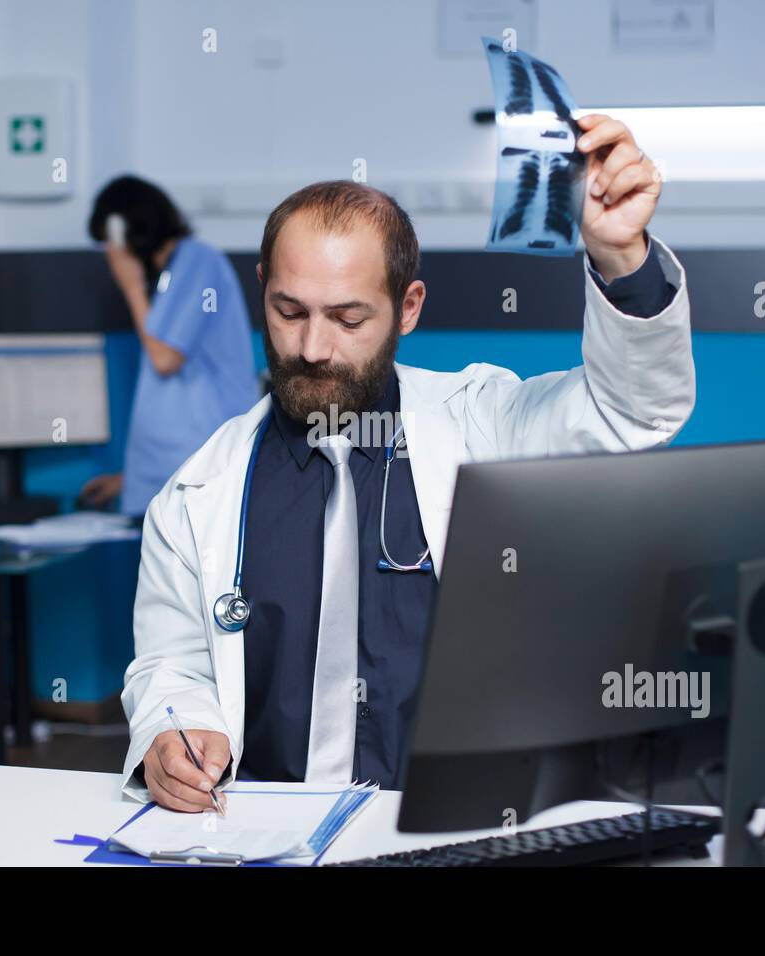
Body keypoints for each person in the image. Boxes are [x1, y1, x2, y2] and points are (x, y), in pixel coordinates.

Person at [121, 115, 695, 809]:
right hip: (267, 832)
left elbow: (629, 417)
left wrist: (621, 258)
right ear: (262, 288)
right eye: (288, 310)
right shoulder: (196, 495)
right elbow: (171, 664)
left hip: (460, 823)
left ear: (409, 307)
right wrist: (175, 731)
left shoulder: (484, 422)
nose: (312, 347)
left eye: (349, 318)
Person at [80, 176, 260, 518]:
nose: (108, 256)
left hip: (207, 482)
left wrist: (131, 284)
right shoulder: (170, 278)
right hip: (175, 479)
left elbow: (165, 359)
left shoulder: (199, 261)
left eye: (109, 244)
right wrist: (128, 480)